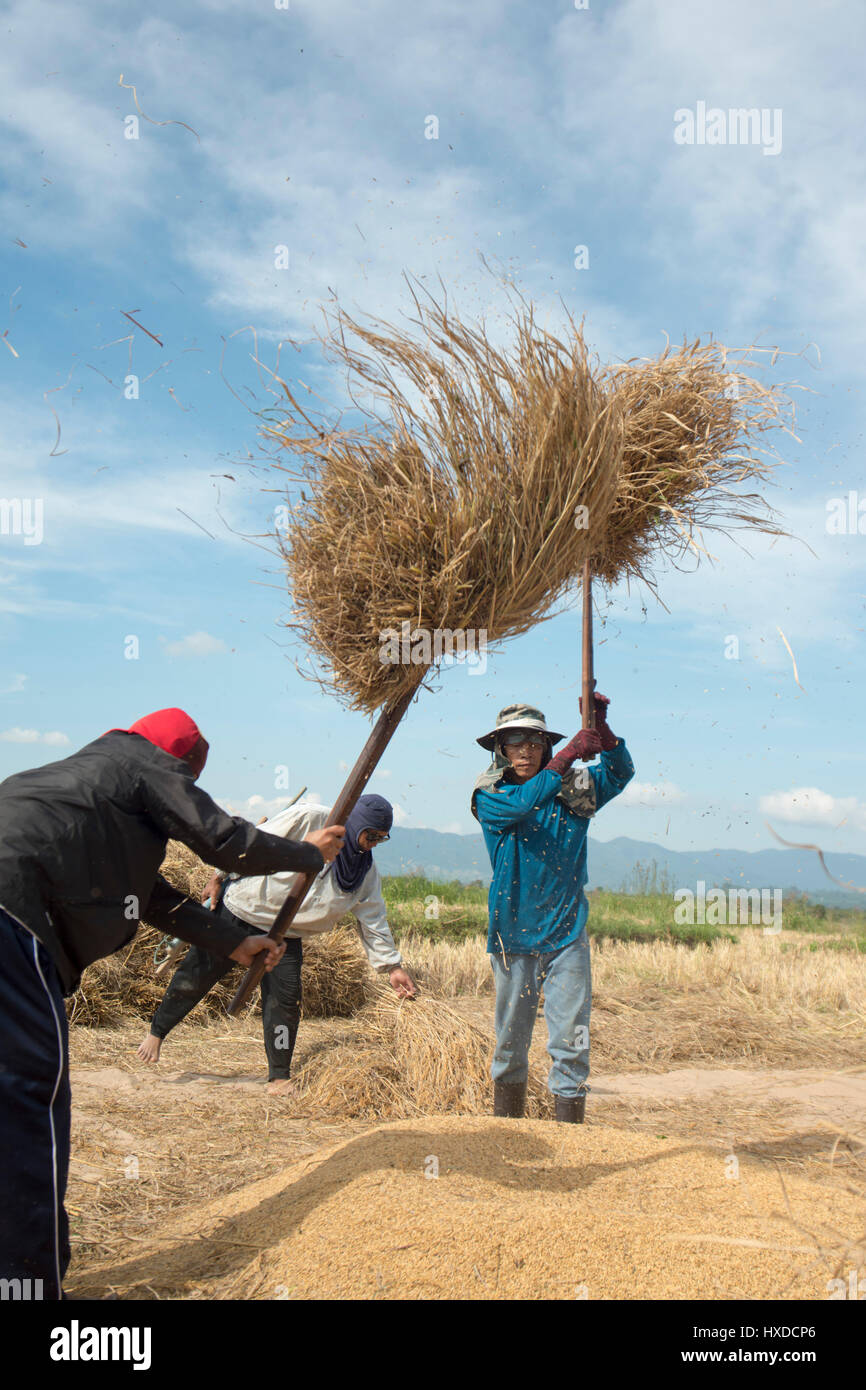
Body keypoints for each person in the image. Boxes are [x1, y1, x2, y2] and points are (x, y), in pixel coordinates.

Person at [0, 707, 344, 1299]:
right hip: (13, 924)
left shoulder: (88, 787)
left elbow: (152, 899)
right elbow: (225, 842)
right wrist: (307, 854)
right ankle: (28, 1288)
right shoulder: (143, 763)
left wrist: (234, 941)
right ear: (178, 767)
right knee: (32, 1101)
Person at [138, 795, 416, 1094]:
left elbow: (372, 919)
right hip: (243, 909)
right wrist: (219, 875)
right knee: (197, 975)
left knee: (284, 1002)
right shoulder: (311, 818)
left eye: (380, 839)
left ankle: (279, 1076)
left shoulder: (364, 873)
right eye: (370, 834)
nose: (372, 843)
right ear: (356, 822)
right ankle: (156, 1034)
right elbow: (253, 842)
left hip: (285, 935)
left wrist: (392, 968)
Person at [471, 697, 634, 1122]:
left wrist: (604, 729)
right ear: (501, 751)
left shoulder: (575, 791)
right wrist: (567, 757)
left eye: (533, 742)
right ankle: (508, 1131)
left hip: (567, 936)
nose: (524, 751)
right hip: (513, 938)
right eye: (513, 743)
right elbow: (526, 804)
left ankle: (570, 1139)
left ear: (544, 745)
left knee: (571, 1042)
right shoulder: (492, 796)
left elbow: (621, 772)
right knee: (510, 1042)